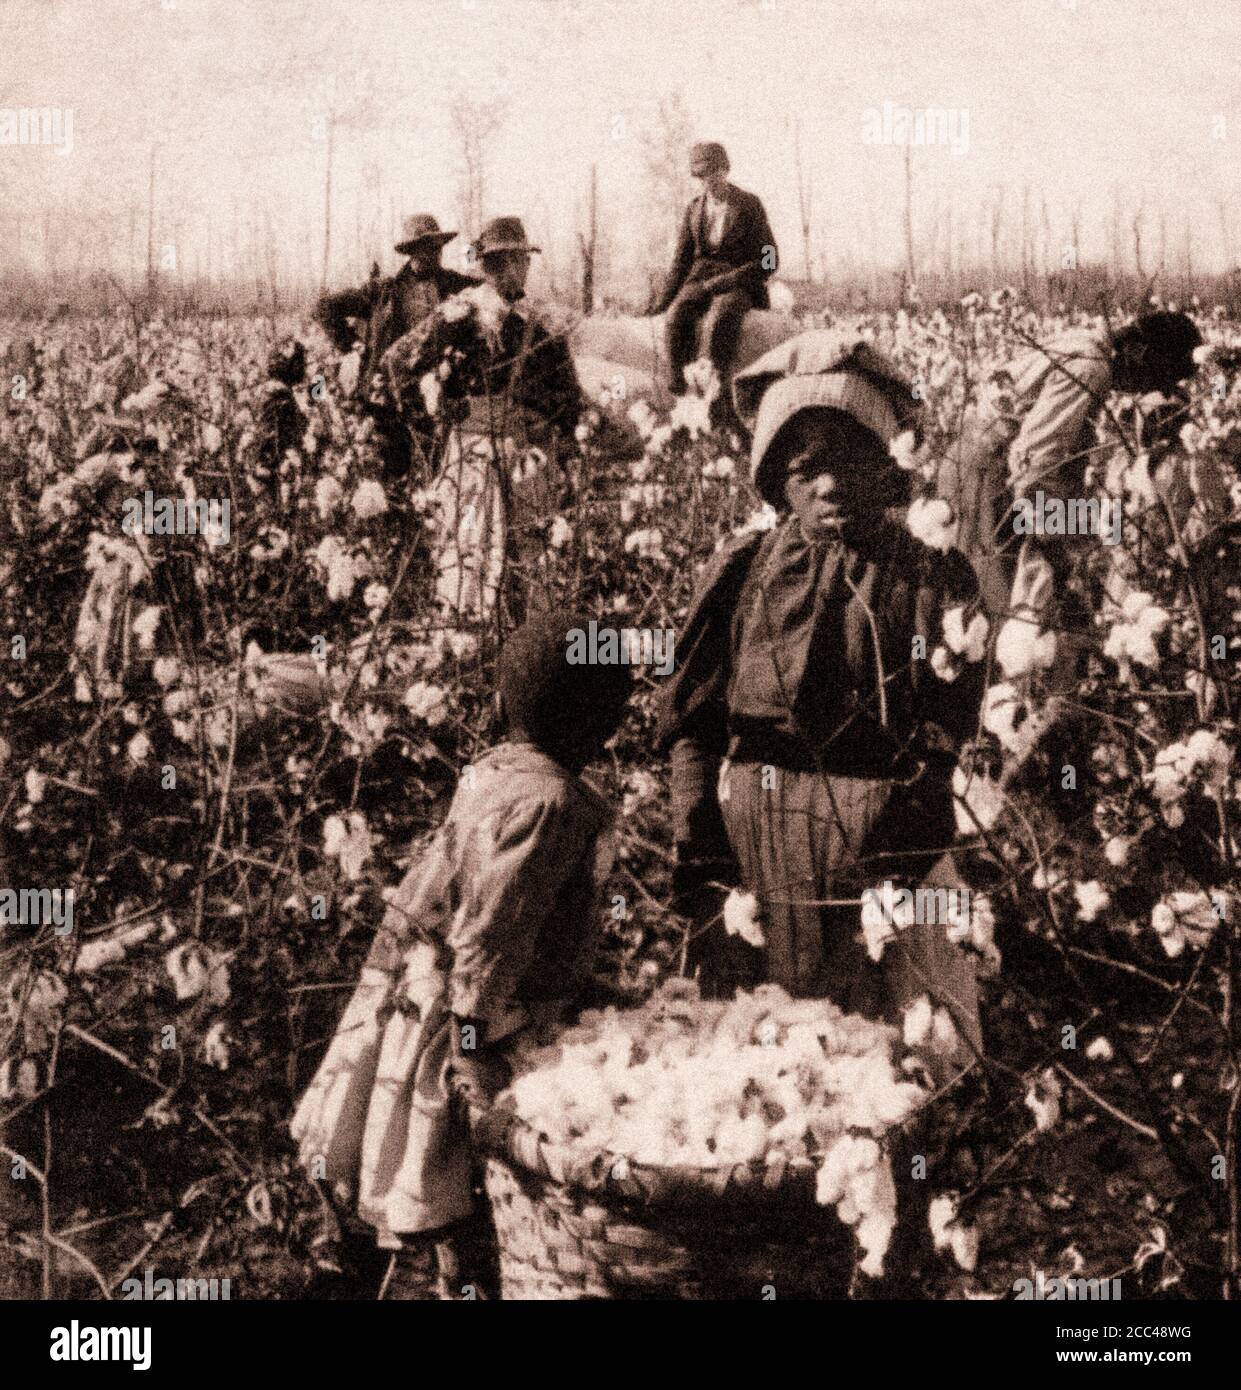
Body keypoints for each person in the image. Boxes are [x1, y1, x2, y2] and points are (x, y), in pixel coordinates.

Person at [656, 331, 985, 1056]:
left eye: (846, 461)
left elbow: (945, 733)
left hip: (882, 847)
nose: (827, 485)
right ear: (776, 482)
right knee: (764, 1054)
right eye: (804, 469)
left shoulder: (930, 576)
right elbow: (694, 721)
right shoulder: (742, 573)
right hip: (756, 849)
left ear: (883, 466)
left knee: (900, 1052)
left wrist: (899, 853)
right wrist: (700, 850)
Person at [291, 610, 631, 1299]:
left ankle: (415, 1271)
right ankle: (452, 1280)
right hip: (474, 1015)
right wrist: (473, 1046)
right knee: (462, 1177)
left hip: (429, 989)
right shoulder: (551, 804)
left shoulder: (496, 771)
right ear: (602, 720)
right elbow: (491, 932)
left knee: (433, 1175)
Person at [381, 216, 585, 625]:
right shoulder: (460, 315)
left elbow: (568, 395)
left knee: (529, 552)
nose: (521, 268)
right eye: (515, 261)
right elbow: (398, 362)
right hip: (474, 454)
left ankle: (524, 642)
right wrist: (432, 416)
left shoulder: (540, 320)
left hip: (528, 455)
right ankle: (467, 648)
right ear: (499, 264)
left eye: (521, 260)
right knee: (471, 549)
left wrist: (565, 443)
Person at [315, 214, 478, 481]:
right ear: (411, 251)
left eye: (436, 246)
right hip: (389, 396)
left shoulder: (455, 286)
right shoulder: (384, 291)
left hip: (435, 394)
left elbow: (488, 294)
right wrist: (351, 347)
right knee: (390, 472)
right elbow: (326, 308)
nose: (433, 253)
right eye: (425, 246)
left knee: (436, 472)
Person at [647, 141, 777, 400]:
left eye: (714, 174)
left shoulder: (749, 205)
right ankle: (679, 389)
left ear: (725, 171)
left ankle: (715, 384)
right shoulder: (694, 209)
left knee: (722, 315)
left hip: (740, 281)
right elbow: (680, 262)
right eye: (702, 177)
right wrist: (661, 302)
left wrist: (730, 280)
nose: (708, 182)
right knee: (675, 316)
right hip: (701, 280)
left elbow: (770, 259)